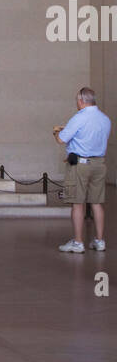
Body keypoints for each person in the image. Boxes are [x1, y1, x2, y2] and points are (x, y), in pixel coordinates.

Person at [54, 87, 111, 253]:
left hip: (80, 165)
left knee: (77, 203)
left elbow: (61, 139)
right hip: (99, 164)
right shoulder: (105, 119)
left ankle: (78, 242)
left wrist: (56, 132)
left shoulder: (78, 118)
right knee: (97, 203)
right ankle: (99, 241)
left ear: (81, 101)